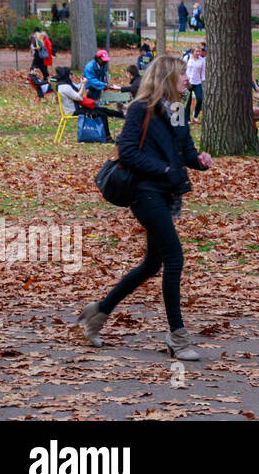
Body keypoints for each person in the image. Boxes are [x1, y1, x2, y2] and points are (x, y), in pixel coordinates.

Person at [77, 55, 213, 359]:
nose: (187, 79)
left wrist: (199, 161)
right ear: (166, 78)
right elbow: (126, 151)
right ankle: (177, 337)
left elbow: (184, 150)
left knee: (153, 263)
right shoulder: (141, 109)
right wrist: (163, 170)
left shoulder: (178, 108)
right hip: (144, 191)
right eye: (182, 75)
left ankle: (99, 312)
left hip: (165, 194)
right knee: (174, 258)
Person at [184, 42, 206, 123]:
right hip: (188, 82)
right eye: (196, 51)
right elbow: (182, 70)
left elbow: (203, 73)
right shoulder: (187, 58)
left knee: (200, 99)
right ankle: (187, 119)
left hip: (197, 82)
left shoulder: (202, 60)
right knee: (187, 101)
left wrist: (203, 80)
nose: (198, 53)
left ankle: (195, 115)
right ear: (192, 51)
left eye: (199, 51)